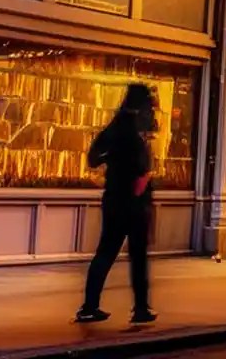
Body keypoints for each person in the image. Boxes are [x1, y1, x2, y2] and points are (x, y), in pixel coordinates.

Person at [77, 84, 158, 324]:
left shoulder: (114, 127)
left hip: (113, 198)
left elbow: (93, 158)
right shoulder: (136, 132)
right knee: (138, 256)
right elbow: (142, 172)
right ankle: (140, 308)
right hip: (133, 203)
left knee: (105, 252)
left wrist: (110, 159)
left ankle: (89, 306)